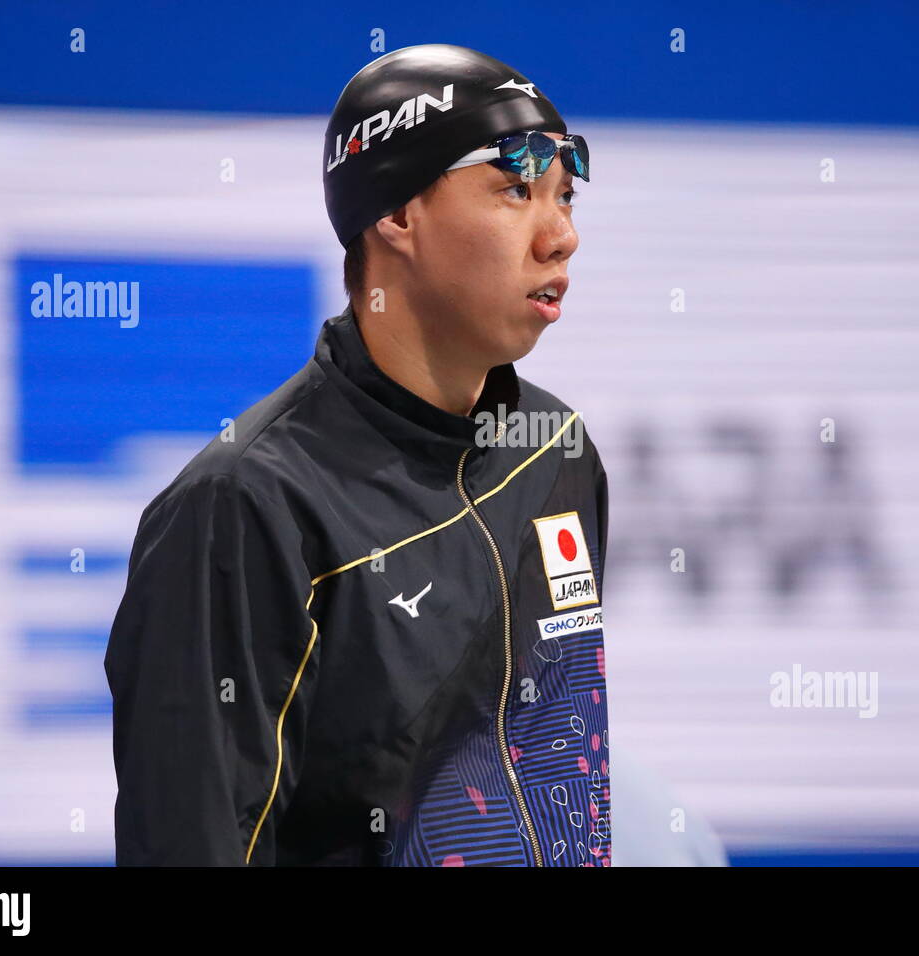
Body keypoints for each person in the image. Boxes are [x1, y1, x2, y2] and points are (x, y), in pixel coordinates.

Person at [104, 43, 611, 866]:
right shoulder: (246, 508)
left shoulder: (555, 454)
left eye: (566, 195)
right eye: (517, 189)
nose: (562, 237)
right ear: (396, 215)